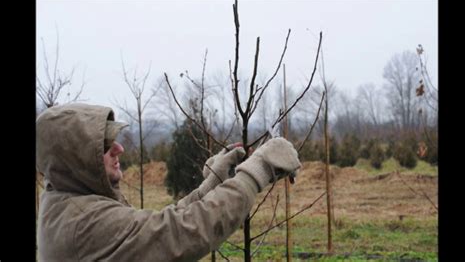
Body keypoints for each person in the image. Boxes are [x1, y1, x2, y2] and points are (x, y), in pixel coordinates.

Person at [36, 103, 301, 261]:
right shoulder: (84, 223)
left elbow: (153, 227)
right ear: (76, 159)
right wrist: (257, 169)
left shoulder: (69, 200)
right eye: (104, 146)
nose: (119, 149)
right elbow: (179, 233)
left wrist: (209, 186)